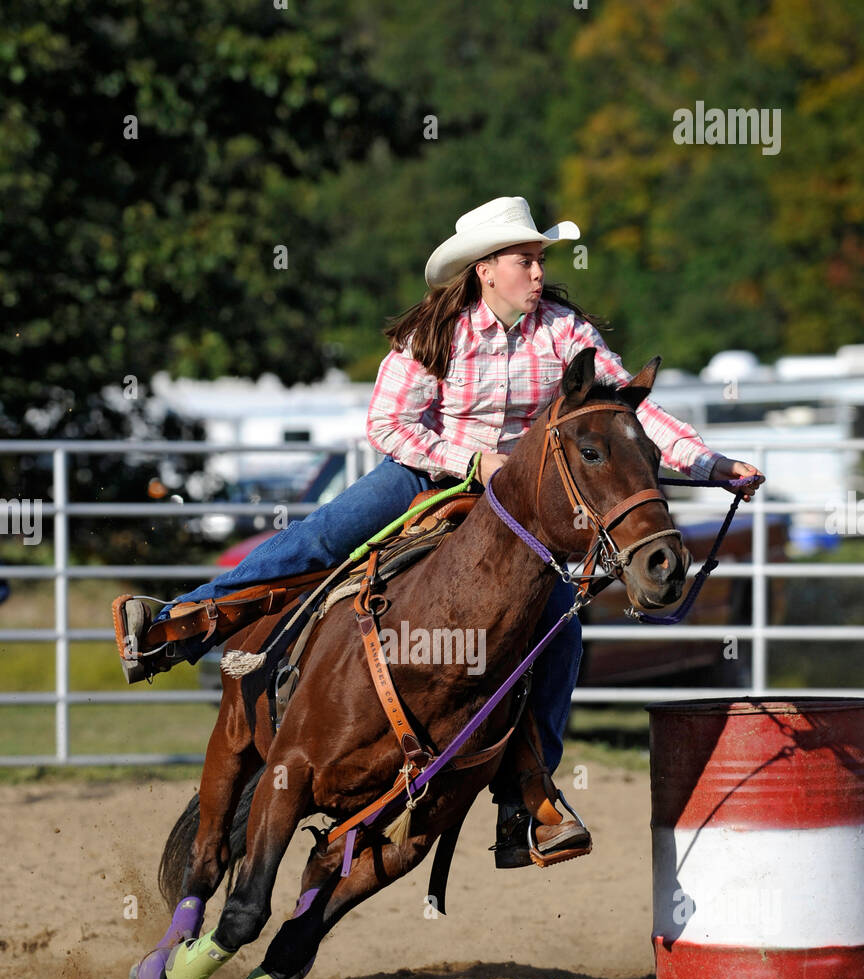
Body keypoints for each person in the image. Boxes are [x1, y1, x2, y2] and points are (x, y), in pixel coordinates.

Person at [113, 195, 764, 866]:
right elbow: (389, 425)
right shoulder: (440, 333)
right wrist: (471, 460)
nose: (538, 273)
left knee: (560, 631)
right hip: (431, 476)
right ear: (485, 270)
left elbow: (626, 409)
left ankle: (529, 799)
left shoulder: (567, 335)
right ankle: (178, 622)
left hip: (520, 507)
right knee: (321, 538)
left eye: (540, 260)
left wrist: (712, 466)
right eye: (525, 260)